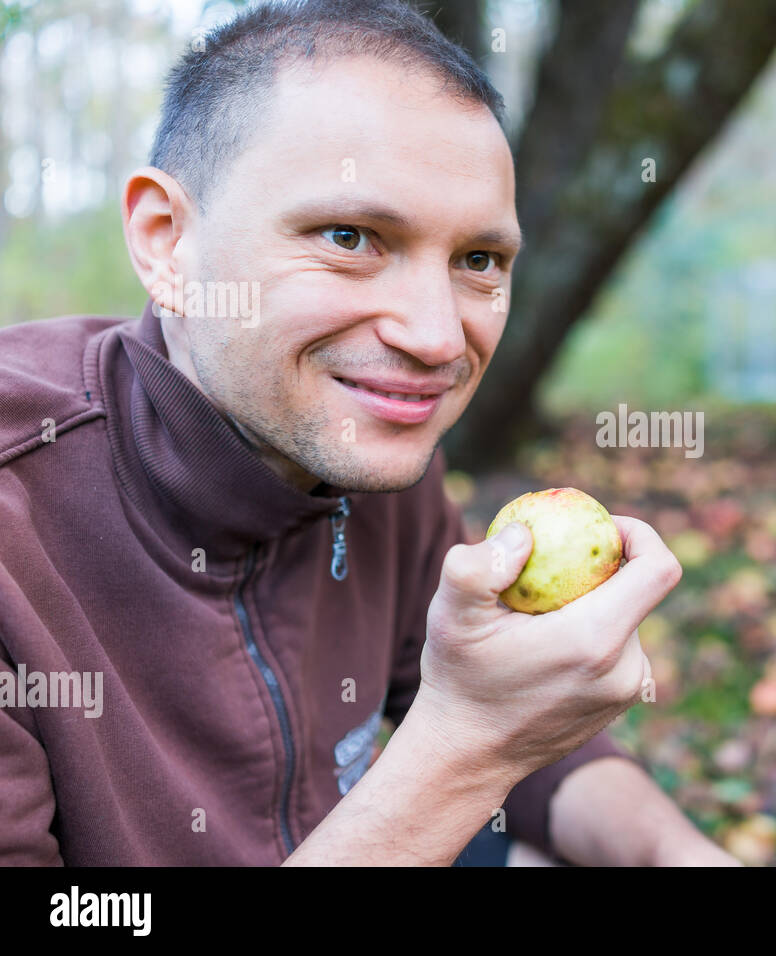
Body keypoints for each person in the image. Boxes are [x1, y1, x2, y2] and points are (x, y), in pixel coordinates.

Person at [0, 0, 737, 867]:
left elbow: (538, 746)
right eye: (349, 237)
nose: (433, 338)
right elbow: (478, 742)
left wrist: (679, 857)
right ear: (168, 243)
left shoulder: (370, 452)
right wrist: (467, 749)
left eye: (478, 261)